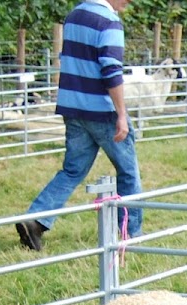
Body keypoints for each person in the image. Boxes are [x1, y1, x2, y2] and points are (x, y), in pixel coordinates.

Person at [17, 0, 140, 252]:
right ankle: (130, 235)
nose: (129, 2)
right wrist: (121, 114)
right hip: (102, 111)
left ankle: (36, 219)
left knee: (72, 170)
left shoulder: (73, 16)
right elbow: (111, 70)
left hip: (73, 107)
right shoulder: (109, 21)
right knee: (128, 173)